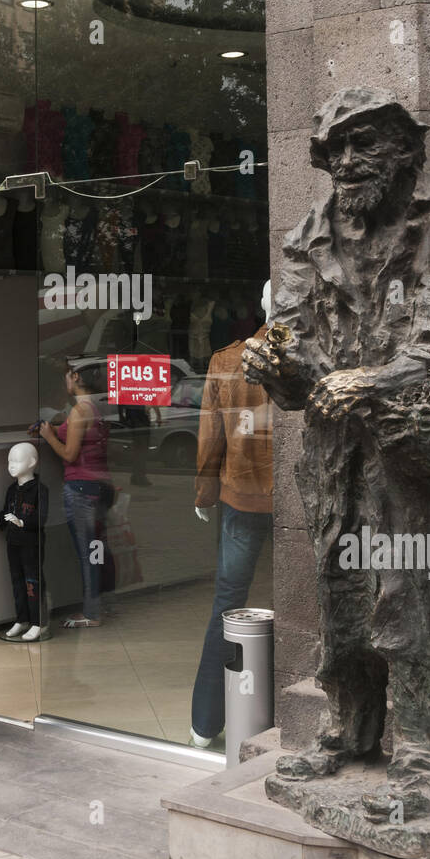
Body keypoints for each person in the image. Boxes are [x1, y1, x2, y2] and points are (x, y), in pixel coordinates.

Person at [242, 88, 430, 822]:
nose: (344, 161)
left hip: (412, 442)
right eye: (333, 150)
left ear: (402, 148)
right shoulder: (308, 232)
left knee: (411, 594)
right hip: (334, 448)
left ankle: (427, 757)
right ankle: (348, 728)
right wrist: (275, 358)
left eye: (361, 143)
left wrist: (364, 380)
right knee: (341, 595)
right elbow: (294, 333)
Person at [190, 281, 274, 749]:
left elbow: (212, 434)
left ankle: (204, 723)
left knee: (227, 601)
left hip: (241, 497)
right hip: (299, 502)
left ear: (261, 305)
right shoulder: (316, 355)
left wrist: (206, 494)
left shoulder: (228, 359)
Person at [39, 361, 114, 627]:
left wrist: (49, 436)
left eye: (67, 377)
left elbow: (70, 455)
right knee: (96, 550)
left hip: (81, 488)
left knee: (87, 553)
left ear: (75, 378)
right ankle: (99, 606)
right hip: (101, 486)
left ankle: (91, 613)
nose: (65, 383)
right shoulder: (95, 407)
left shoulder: (80, 411)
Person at [0, 442, 49, 642]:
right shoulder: (12, 489)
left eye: (16, 461)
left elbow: (41, 518)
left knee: (32, 582)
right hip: (13, 542)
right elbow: (7, 512)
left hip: (31, 544)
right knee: (17, 582)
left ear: (32, 462)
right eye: (9, 460)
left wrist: (22, 522)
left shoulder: (39, 490)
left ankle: (38, 622)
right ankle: (22, 619)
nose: (11, 465)